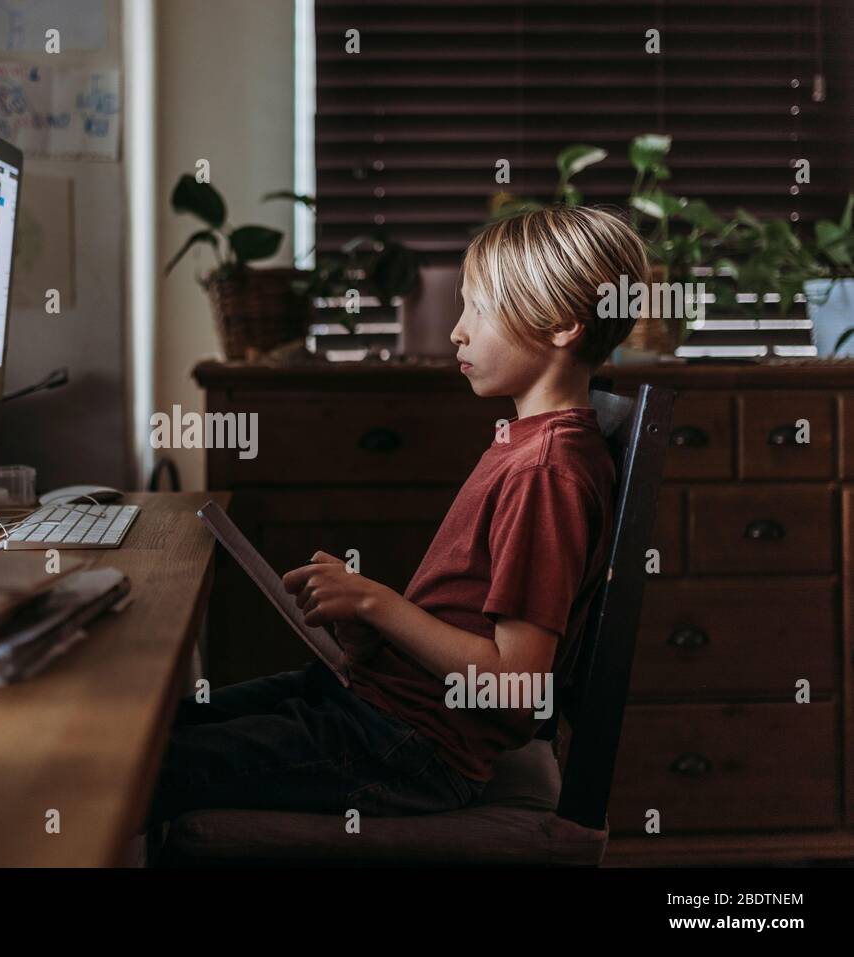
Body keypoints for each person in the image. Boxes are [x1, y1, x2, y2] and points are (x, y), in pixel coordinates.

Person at [145, 205, 647, 845]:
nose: (458, 333)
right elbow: (463, 620)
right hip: (382, 709)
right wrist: (367, 632)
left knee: (140, 766)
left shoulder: (544, 472)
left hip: (410, 748)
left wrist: (377, 603)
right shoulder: (528, 446)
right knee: (159, 727)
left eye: (479, 310)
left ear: (561, 326)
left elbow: (516, 685)